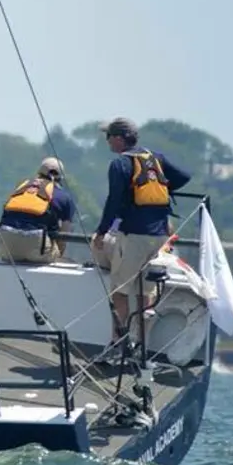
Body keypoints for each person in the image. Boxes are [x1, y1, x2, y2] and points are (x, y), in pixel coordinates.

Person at [93, 117, 190, 353]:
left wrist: (102, 231)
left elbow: (114, 201)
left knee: (120, 290)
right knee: (145, 292)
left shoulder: (120, 164)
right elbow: (184, 177)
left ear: (119, 138)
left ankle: (119, 344)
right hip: (160, 236)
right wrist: (161, 188)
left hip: (133, 235)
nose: (107, 141)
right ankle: (140, 345)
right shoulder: (156, 158)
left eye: (109, 137)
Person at [0, 157, 76, 264]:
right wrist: (57, 255)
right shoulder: (64, 197)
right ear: (60, 178)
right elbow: (64, 234)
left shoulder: (21, 188)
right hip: (37, 248)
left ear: (38, 173)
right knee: (62, 257)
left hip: (7, 247)